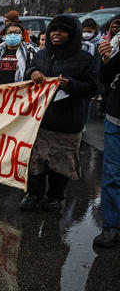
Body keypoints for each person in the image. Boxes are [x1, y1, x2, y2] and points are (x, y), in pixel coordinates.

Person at [20, 15, 98, 212]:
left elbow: (92, 88)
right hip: (41, 120)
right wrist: (33, 73)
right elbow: (28, 73)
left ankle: (55, 197)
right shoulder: (41, 55)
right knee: (36, 161)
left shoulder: (85, 59)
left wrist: (71, 85)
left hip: (67, 123)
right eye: (54, 30)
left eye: (62, 31)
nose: (56, 34)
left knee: (60, 164)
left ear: (72, 35)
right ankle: (33, 194)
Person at [94, 22, 120, 246]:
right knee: (112, 174)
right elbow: (105, 78)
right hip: (116, 118)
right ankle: (111, 226)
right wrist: (106, 60)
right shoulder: (117, 44)